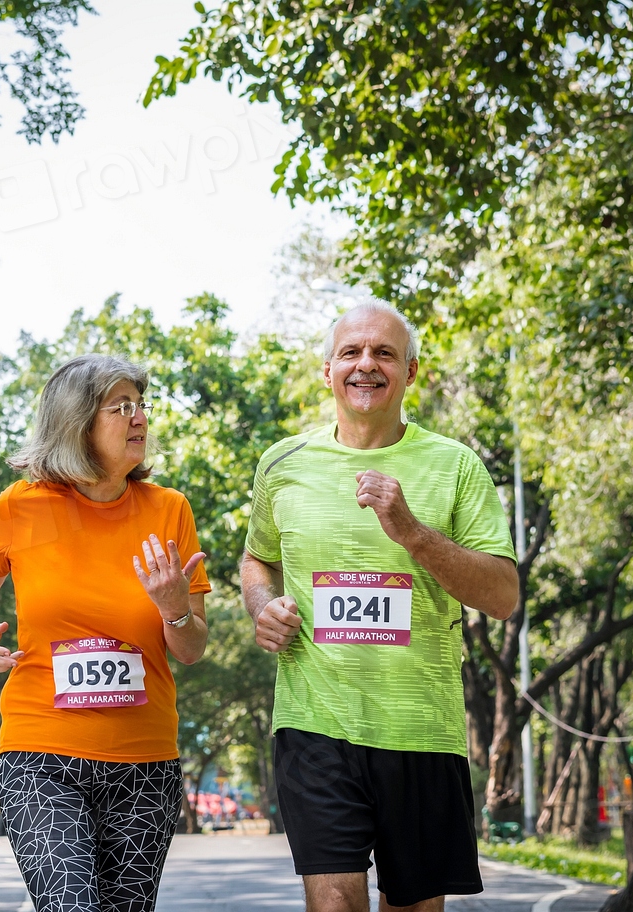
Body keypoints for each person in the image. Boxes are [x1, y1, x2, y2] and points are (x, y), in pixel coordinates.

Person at [241, 300, 518, 912]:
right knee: (334, 904)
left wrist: (412, 531)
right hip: (313, 722)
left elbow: (501, 595)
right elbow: (255, 558)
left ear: (411, 373)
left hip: (421, 728)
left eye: (384, 353)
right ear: (327, 370)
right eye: (351, 353)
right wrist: (262, 606)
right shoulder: (282, 465)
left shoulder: (455, 466)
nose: (366, 365)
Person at [0, 353, 211, 912]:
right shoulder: (20, 507)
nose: (140, 417)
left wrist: (174, 609)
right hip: (40, 752)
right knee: (71, 904)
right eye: (123, 407)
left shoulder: (170, 511)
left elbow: (191, 649)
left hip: (145, 762)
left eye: (142, 405)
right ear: (77, 422)